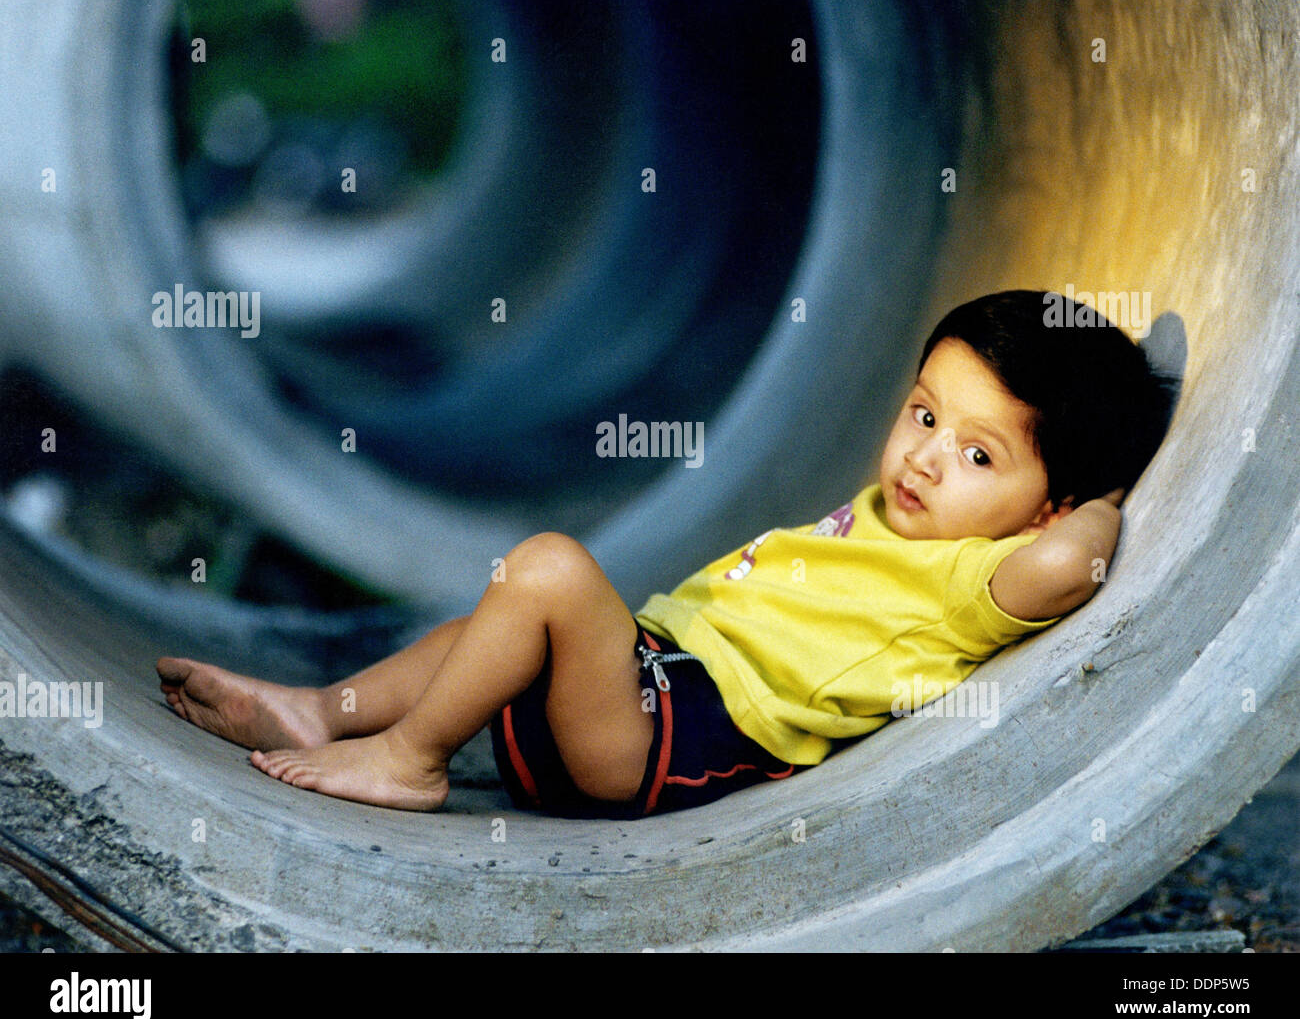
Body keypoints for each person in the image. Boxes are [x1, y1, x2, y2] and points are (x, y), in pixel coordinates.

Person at [157, 290, 1176, 818]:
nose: (922, 456)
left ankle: (409, 759)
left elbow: (1062, 568)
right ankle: (324, 709)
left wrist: (1099, 505)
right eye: (922, 412)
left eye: (977, 453)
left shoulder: (971, 578)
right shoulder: (898, 509)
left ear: (1044, 505)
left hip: (670, 737)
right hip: (647, 673)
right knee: (498, 620)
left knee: (551, 566)